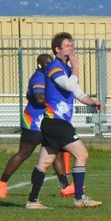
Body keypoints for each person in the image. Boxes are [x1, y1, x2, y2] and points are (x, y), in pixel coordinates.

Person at [26, 33, 103, 209]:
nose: (71, 49)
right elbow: (68, 85)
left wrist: (93, 102)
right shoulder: (55, 66)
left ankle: (32, 201)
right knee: (82, 154)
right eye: (67, 46)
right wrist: (76, 68)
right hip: (56, 122)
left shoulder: (65, 70)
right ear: (57, 50)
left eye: (71, 45)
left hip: (54, 123)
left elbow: (77, 92)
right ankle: (79, 198)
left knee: (44, 163)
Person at [0, 54, 72, 199]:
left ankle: (65, 186)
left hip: (47, 121)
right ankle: (2, 181)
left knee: (56, 152)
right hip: (34, 122)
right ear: (40, 65)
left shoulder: (47, 77)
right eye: (47, 64)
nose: (50, 66)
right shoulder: (39, 77)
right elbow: (38, 98)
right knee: (24, 153)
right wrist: (56, 98)